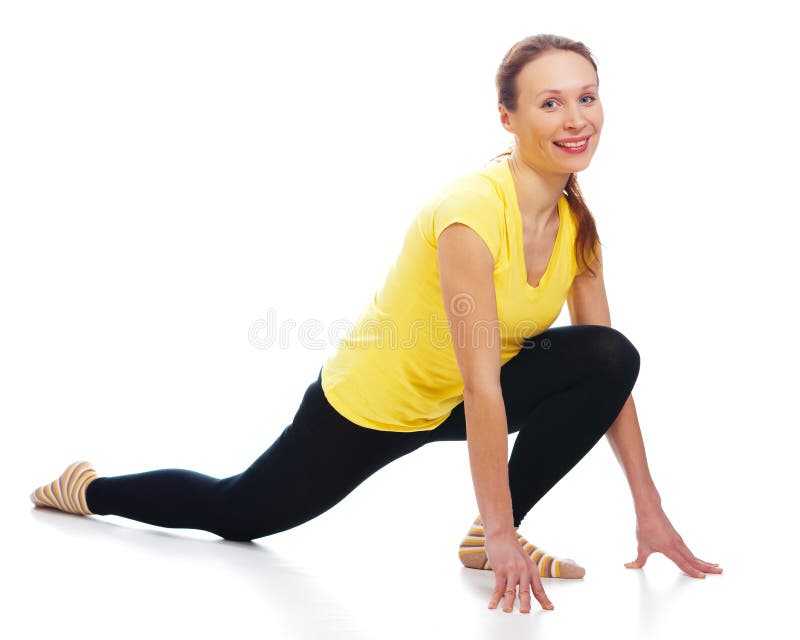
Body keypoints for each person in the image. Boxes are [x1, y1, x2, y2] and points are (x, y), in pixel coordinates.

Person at [30, 33, 722, 614]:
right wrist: (512, 534)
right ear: (508, 118)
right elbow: (484, 388)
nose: (576, 119)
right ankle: (87, 489)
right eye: (551, 103)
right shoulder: (469, 216)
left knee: (607, 354)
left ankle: (484, 535)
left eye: (586, 97)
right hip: (373, 405)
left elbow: (608, 383)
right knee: (237, 513)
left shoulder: (578, 225)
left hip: (463, 400)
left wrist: (649, 508)